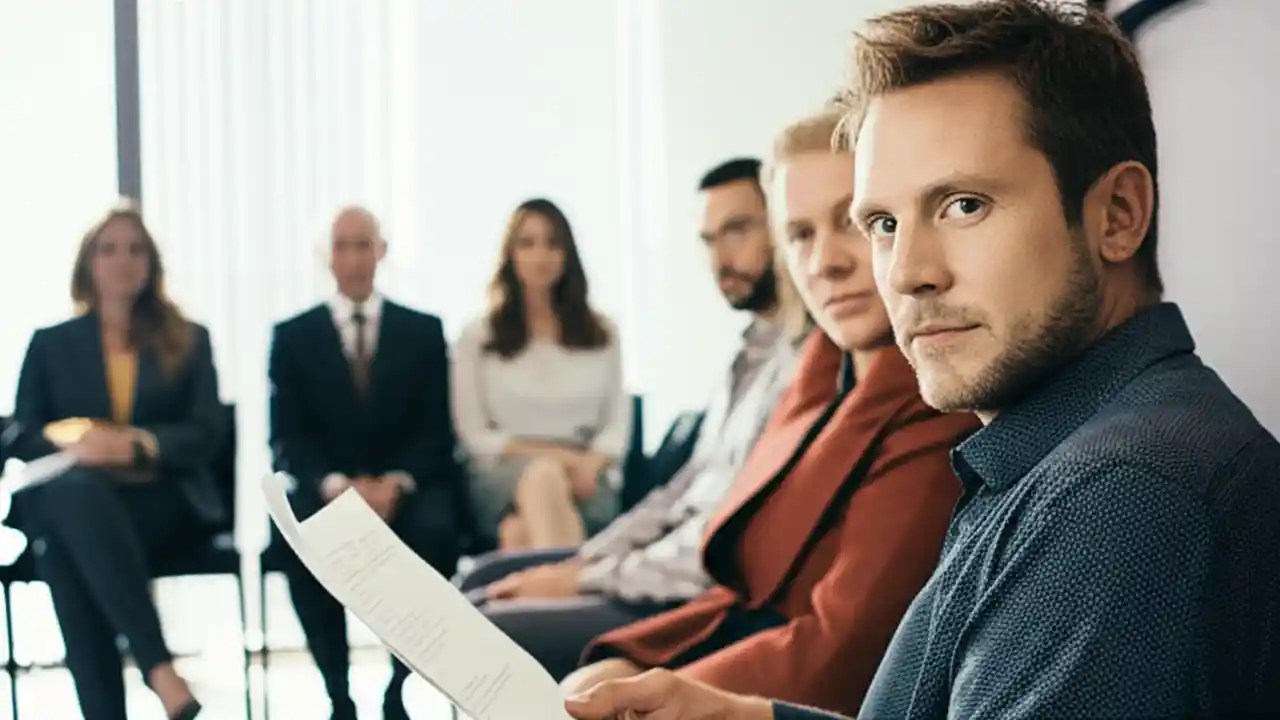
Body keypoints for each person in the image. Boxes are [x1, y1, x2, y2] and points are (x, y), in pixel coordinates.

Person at [564, 2, 1280, 719]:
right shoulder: (1058, 448)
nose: (906, 273)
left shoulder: (1118, 492)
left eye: (963, 205)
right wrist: (745, 716)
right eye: (882, 223)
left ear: (1117, 214)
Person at [560, 105, 980, 717]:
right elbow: (748, 590)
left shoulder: (937, 401)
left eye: (857, 222)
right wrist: (629, 663)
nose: (826, 261)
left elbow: (841, 650)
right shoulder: (820, 374)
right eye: (801, 234)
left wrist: (657, 690)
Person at [456, 159, 802, 680]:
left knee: (481, 629)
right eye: (708, 240)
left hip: (682, 583)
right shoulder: (746, 357)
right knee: (477, 585)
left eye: (737, 230)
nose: (719, 258)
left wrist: (587, 578)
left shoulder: (803, 367)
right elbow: (681, 493)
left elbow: (718, 534)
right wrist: (586, 564)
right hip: (519, 486)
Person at [9, 203, 220, 720]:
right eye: (108, 249)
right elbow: (20, 434)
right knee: (74, 505)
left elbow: (207, 434)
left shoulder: (188, 340)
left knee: (64, 544)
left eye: (134, 249)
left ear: (151, 262)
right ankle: (160, 670)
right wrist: (76, 441)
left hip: (158, 505)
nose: (122, 260)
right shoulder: (50, 344)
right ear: (88, 262)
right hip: (75, 499)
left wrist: (136, 444)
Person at [268, 206, 467, 720]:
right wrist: (336, 485)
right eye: (343, 246)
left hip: (406, 490)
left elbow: (437, 431)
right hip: (329, 491)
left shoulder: (423, 331)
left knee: (438, 531)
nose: (354, 259)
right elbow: (287, 438)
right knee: (299, 540)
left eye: (364, 245)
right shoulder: (292, 336)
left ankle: (399, 687)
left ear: (381, 251)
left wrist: (395, 484)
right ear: (326, 256)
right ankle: (338, 694)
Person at [451, 198, 629, 549]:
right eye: (527, 244)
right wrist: (557, 457)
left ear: (567, 254)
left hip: (587, 475)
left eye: (552, 243)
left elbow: (617, 426)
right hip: (502, 473)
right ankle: (572, 581)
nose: (540, 256)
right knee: (544, 476)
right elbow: (475, 436)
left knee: (517, 534)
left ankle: (540, 582)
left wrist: (589, 463)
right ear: (510, 255)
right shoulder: (478, 336)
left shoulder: (603, 332)